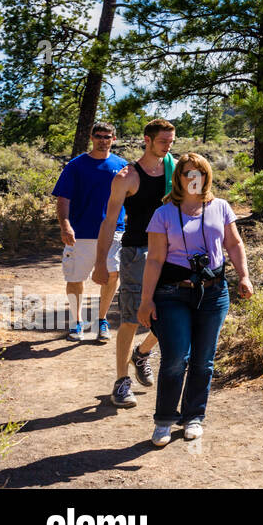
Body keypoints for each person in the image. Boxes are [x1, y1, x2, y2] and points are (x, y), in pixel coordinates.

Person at [138, 152, 253, 447]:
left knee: (204, 361)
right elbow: (154, 260)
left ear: (206, 177)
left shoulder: (221, 207)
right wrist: (146, 300)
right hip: (172, 293)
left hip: (213, 293)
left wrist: (244, 276)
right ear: (178, 178)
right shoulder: (163, 213)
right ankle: (164, 420)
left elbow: (234, 243)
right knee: (176, 358)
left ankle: (193, 418)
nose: (193, 179)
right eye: (187, 173)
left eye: (198, 173)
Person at [93, 118, 177, 408]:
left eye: (171, 141)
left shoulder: (175, 170)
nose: (169, 146)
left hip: (171, 251)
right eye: (164, 141)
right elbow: (108, 221)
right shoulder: (126, 176)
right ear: (147, 140)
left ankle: (141, 354)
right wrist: (101, 262)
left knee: (172, 314)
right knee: (130, 316)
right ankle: (121, 382)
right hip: (136, 253)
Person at [51, 121, 127, 342]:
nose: (103, 140)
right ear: (92, 138)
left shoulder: (122, 166)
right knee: (75, 278)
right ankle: (77, 323)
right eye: (99, 136)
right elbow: (63, 198)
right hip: (81, 232)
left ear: (114, 139)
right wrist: (65, 225)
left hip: (113, 232)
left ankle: (101, 320)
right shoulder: (76, 166)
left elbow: (131, 199)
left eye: (108, 136)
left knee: (113, 275)